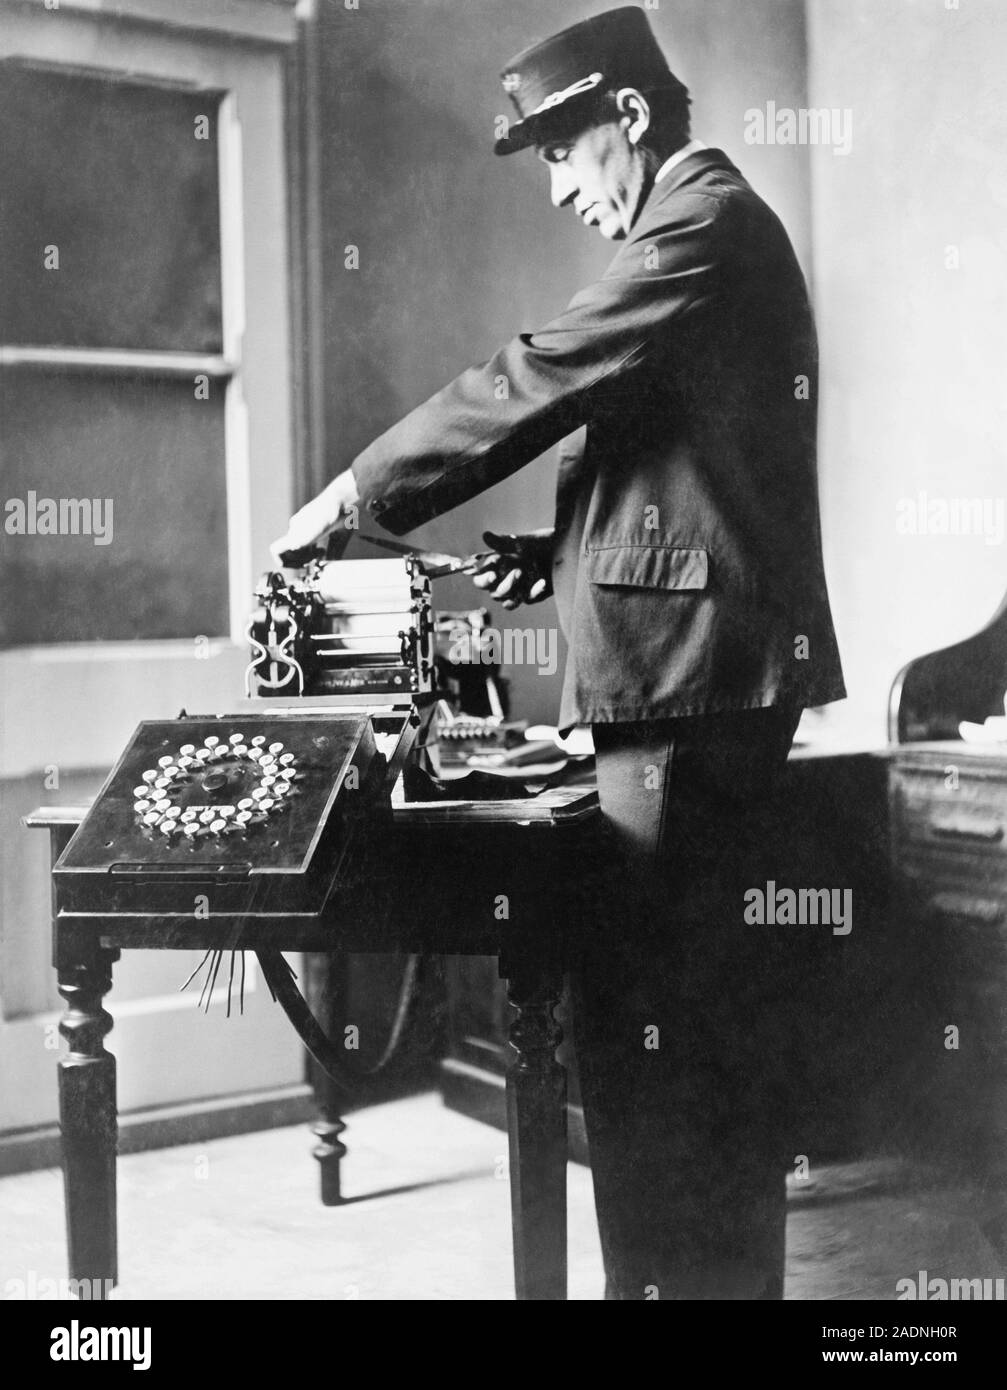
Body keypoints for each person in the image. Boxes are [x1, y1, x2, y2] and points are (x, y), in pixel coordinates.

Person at [272, 5, 846, 1299]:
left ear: (629, 118)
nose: (559, 189)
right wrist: (558, 549)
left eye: (562, 150)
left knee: (660, 1049)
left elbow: (539, 375)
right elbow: (676, 464)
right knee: (669, 1037)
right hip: (694, 682)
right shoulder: (696, 226)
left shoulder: (698, 217)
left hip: (695, 694)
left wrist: (353, 495)